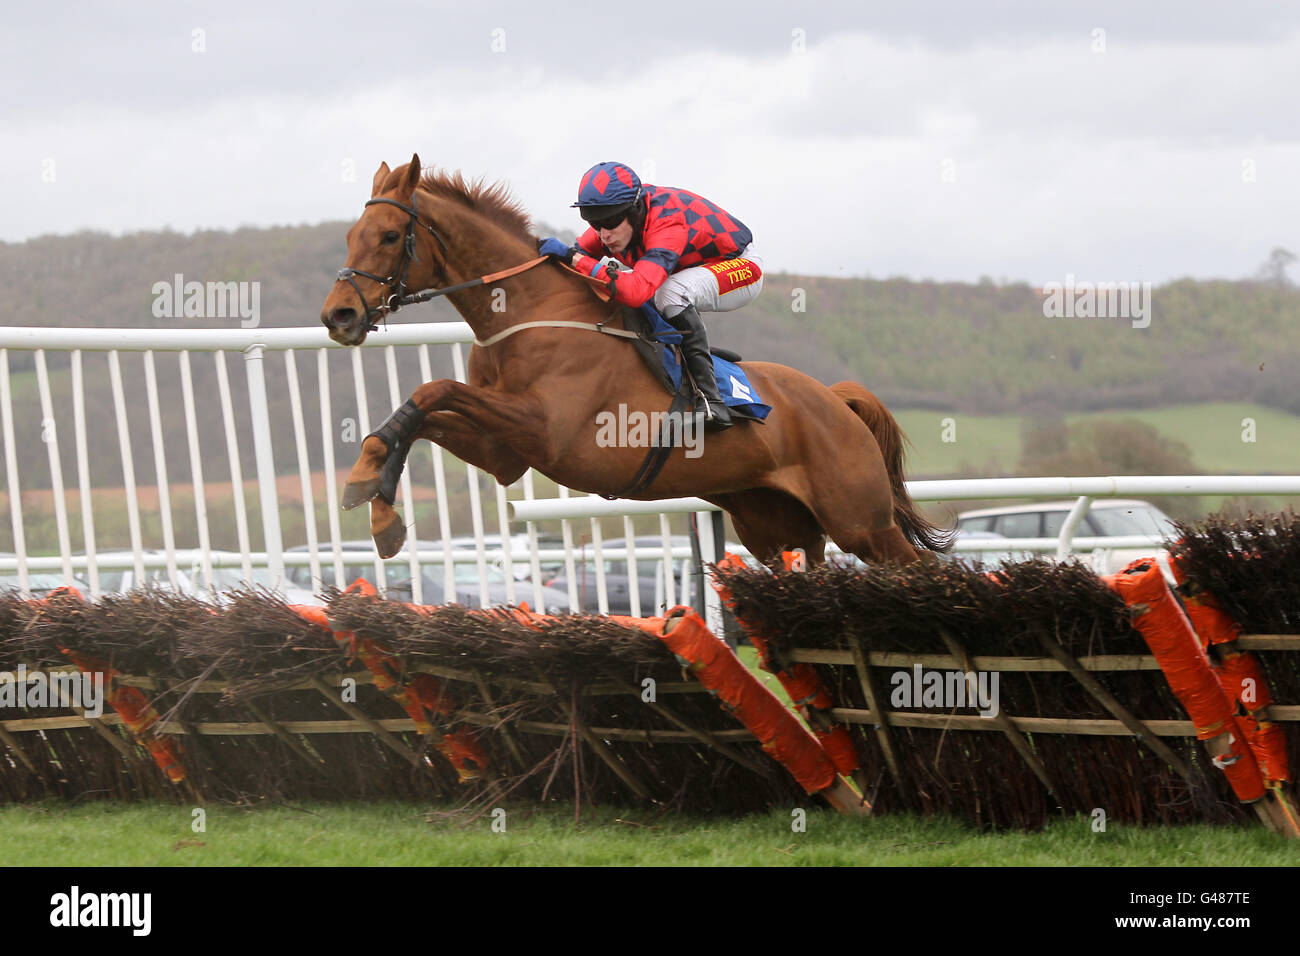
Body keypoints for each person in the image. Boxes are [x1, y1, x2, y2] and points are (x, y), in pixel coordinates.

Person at [538, 161, 763, 429]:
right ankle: (687, 351)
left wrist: (574, 258)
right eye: (594, 223)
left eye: (610, 222)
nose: (603, 234)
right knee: (652, 290)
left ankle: (711, 403)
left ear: (634, 211)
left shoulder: (667, 224)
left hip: (741, 267)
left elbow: (634, 292)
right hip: (692, 267)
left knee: (668, 293)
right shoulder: (613, 223)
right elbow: (578, 263)